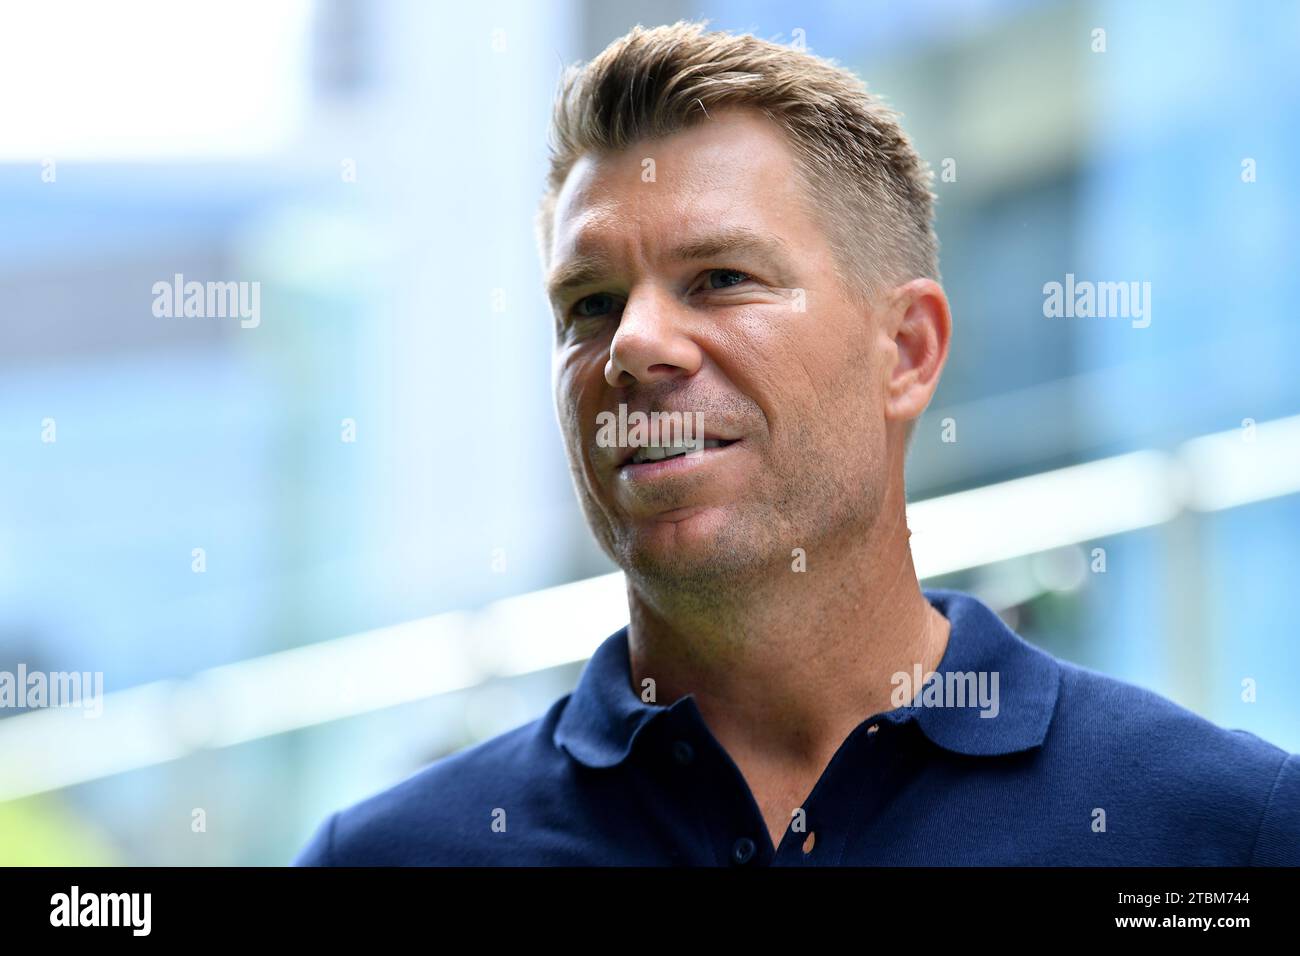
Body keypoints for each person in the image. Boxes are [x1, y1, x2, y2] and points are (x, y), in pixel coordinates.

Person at [293, 20, 1298, 866]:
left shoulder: (1220, 829)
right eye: (588, 303)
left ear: (905, 351)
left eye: (720, 277)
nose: (632, 344)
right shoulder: (387, 856)